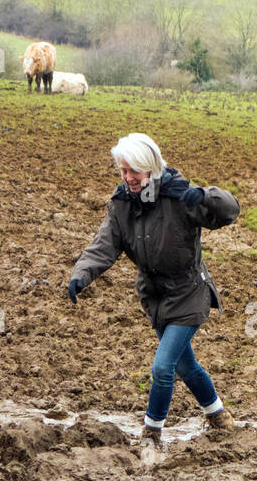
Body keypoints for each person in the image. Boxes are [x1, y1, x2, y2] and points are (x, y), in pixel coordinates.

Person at [67, 132, 239, 449]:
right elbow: (103, 246)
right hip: (155, 297)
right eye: (123, 171)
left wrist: (202, 196)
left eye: (134, 171)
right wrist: (81, 274)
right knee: (185, 366)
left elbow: (229, 210)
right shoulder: (122, 205)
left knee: (162, 368)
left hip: (189, 291)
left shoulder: (180, 197)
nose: (128, 178)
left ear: (151, 168)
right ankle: (217, 415)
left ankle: (151, 434)